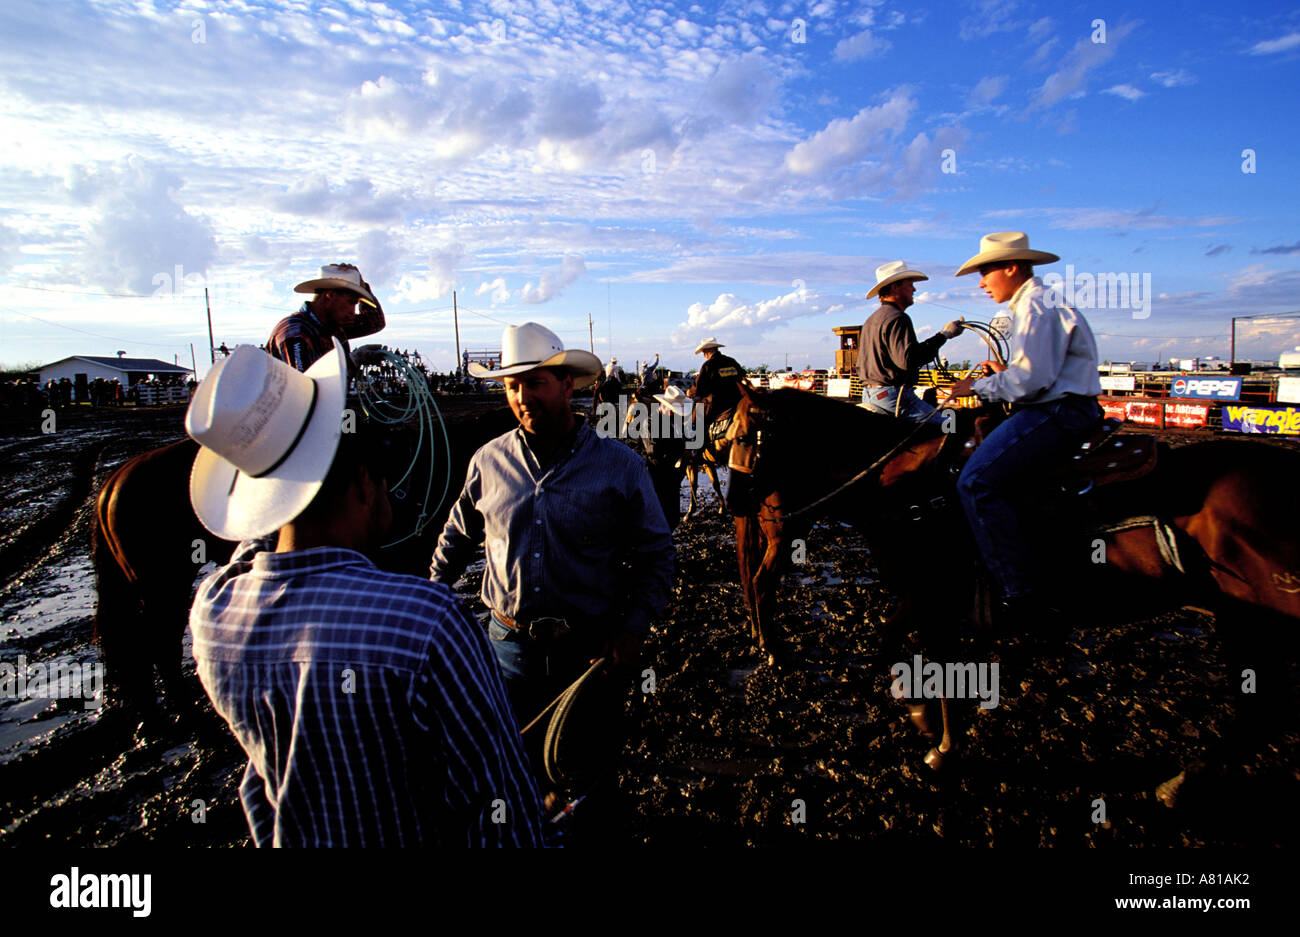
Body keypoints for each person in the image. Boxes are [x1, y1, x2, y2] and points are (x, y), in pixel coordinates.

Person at [187, 340, 543, 847]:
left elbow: (253, 549)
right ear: (362, 484)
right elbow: (501, 813)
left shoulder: (215, 613)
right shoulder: (426, 622)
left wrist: (275, 472)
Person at [431, 323, 673, 799]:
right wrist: (428, 602)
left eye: (535, 382)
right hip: (506, 651)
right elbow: (455, 539)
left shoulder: (621, 467)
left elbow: (656, 554)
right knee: (511, 776)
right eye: (512, 385)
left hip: (589, 653)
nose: (522, 397)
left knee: (590, 777)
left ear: (567, 384)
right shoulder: (487, 462)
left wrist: (633, 629)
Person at [947, 232, 1104, 623]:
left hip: (1057, 411)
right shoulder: (1039, 302)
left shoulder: (1033, 307)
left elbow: (1032, 381)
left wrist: (977, 388)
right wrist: (1006, 374)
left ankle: (1020, 592)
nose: (981, 283)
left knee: (976, 482)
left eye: (985, 272)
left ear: (1011, 267)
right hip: (1066, 406)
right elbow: (1032, 373)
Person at [857, 261, 963, 421]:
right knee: (950, 426)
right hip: (895, 398)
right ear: (895, 287)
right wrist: (944, 335)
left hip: (870, 395)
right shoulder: (898, 318)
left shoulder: (871, 320)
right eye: (910, 284)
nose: (914, 289)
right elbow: (908, 360)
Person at [267, 263, 386, 373]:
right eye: (351, 302)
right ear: (330, 295)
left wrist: (362, 285)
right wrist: (352, 361)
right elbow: (305, 388)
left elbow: (375, 322)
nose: (353, 311)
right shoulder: (296, 333)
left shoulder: (331, 325)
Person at [688, 337, 746, 434]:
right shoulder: (732, 361)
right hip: (736, 401)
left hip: (715, 403)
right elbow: (742, 375)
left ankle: (696, 445)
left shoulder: (708, 365)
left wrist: (690, 392)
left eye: (704, 351)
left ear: (709, 350)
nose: (703, 355)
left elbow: (698, 388)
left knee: (693, 424)